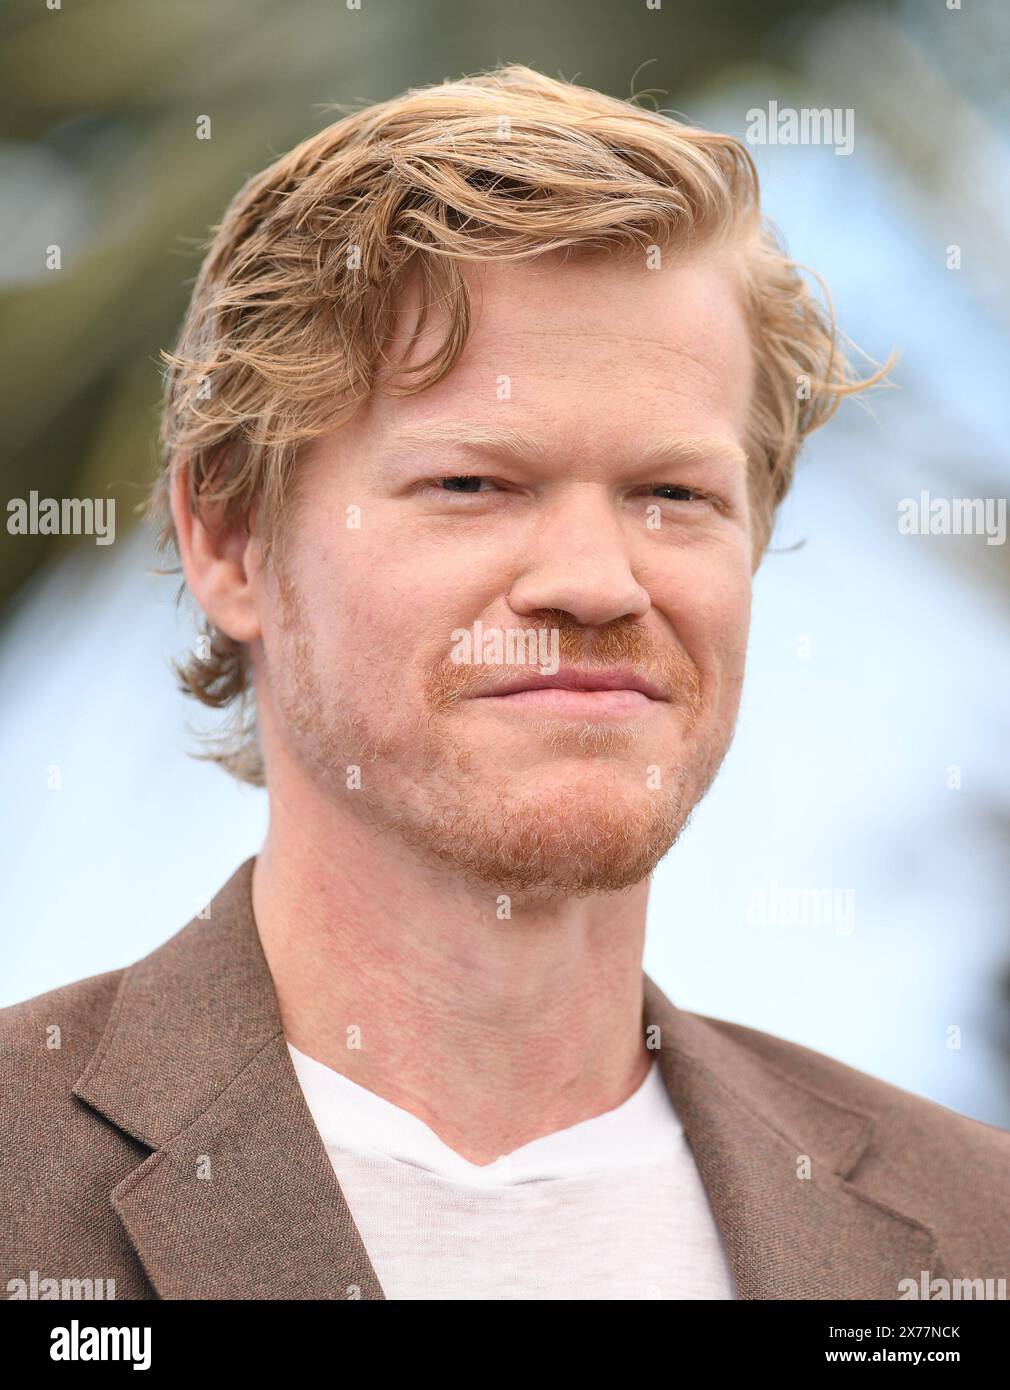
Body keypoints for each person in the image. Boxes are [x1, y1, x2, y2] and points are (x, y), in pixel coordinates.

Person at [2, 65, 1007, 1302]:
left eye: (672, 495)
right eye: (473, 485)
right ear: (229, 542)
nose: (595, 582)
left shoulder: (973, 1237)